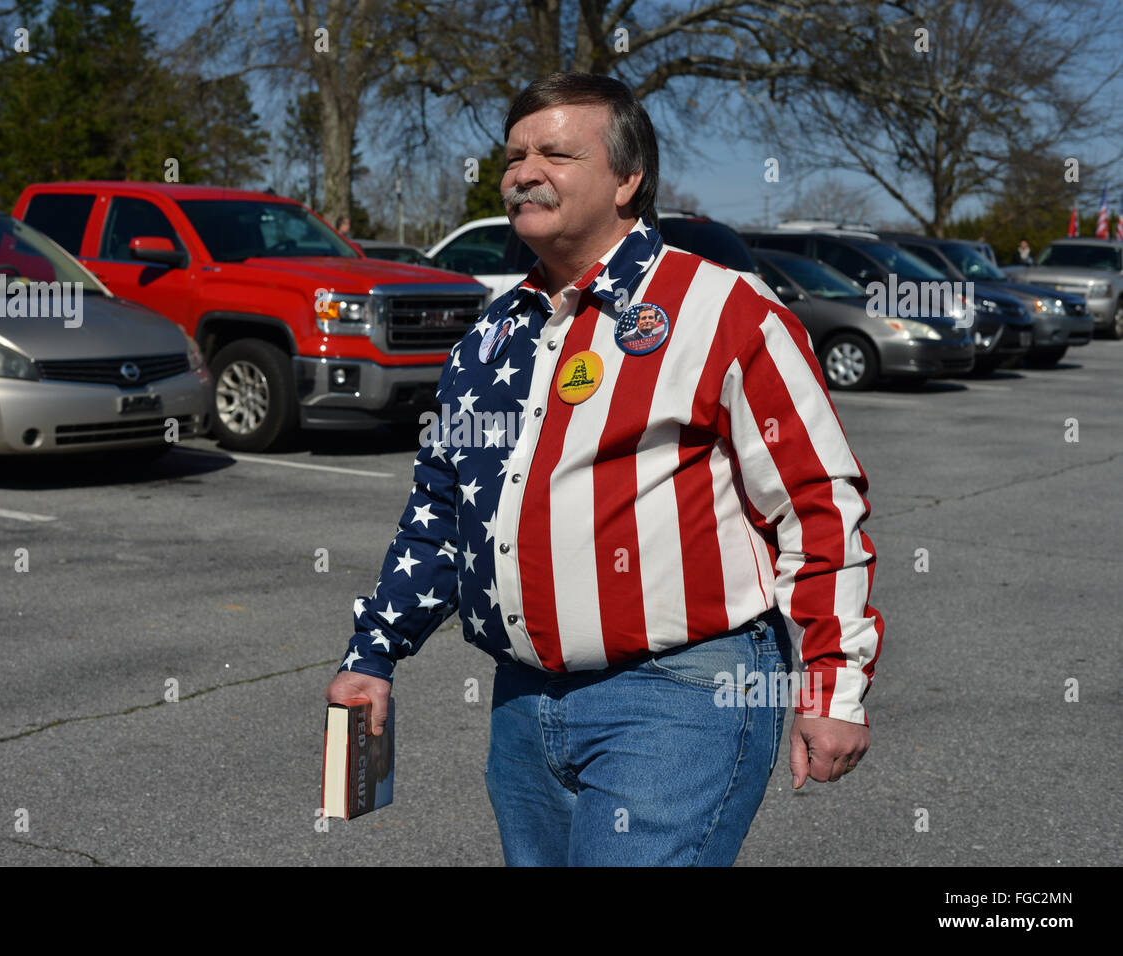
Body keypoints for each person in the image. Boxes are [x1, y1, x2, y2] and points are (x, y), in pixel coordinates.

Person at [325, 71, 883, 866]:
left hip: (681, 696)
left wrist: (834, 686)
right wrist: (371, 655)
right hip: (523, 705)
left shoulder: (725, 310)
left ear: (629, 179)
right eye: (514, 154)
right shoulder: (489, 338)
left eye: (556, 151)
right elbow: (440, 516)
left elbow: (819, 503)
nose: (523, 171)